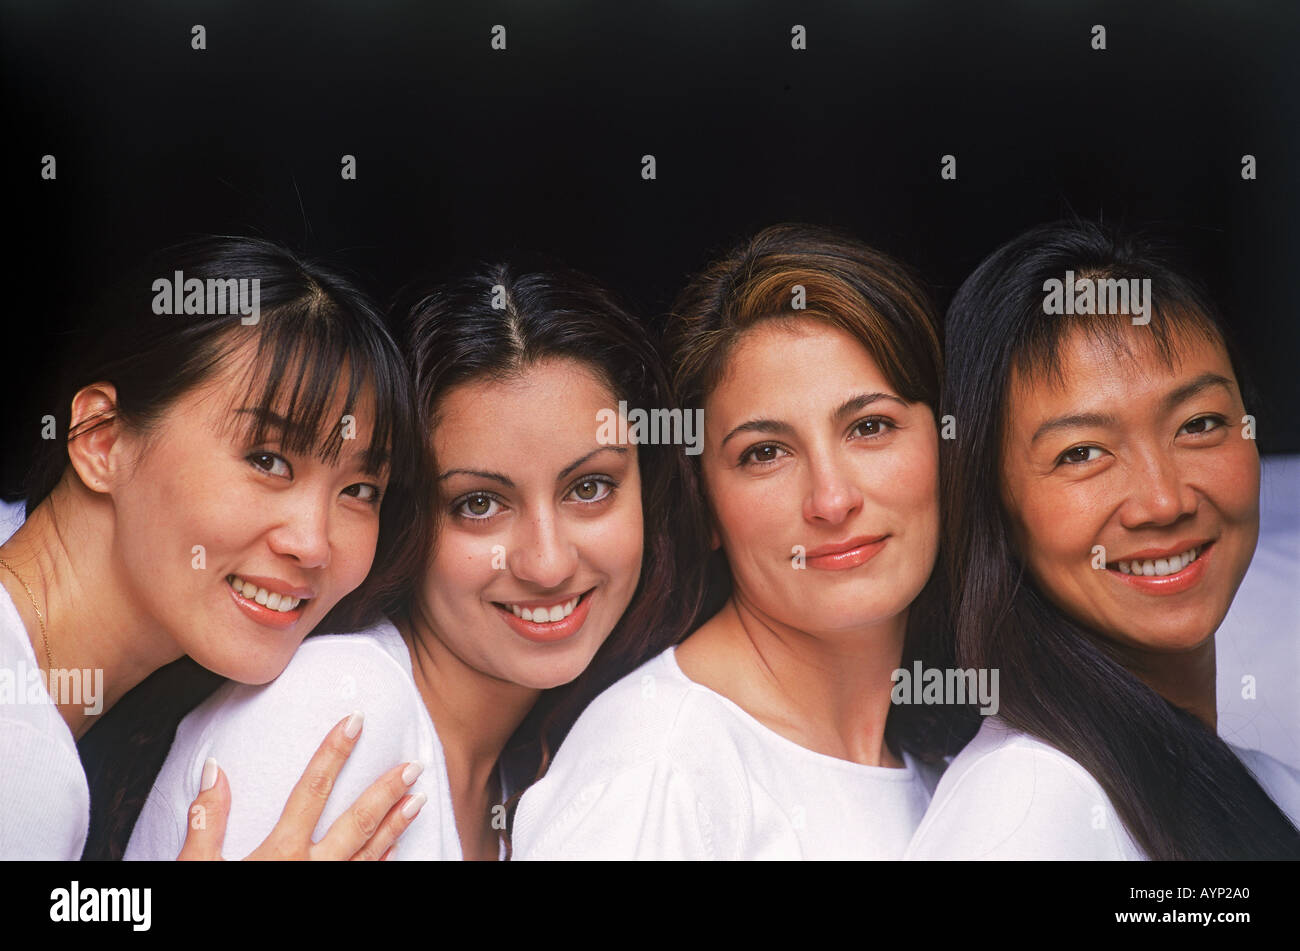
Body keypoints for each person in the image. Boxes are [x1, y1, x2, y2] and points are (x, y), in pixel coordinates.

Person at [125, 260, 704, 860]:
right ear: (406, 519)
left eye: (589, 488)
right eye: (478, 503)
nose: (547, 564)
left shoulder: (528, 775)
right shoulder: (342, 707)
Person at [512, 224, 972, 859]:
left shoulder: (951, 771)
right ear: (703, 506)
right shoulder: (657, 766)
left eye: (870, 426)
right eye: (764, 453)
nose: (832, 499)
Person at [0, 236, 428, 860]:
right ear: (102, 439)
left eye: (360, 489)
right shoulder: (20, 763)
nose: (312, 544)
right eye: (267, 459)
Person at [906, 220, 1300, 860]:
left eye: (1199, 424)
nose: (1164, 501)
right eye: (1081, 453)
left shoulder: (1270, 789)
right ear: (993, 507)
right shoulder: (1030, 809)